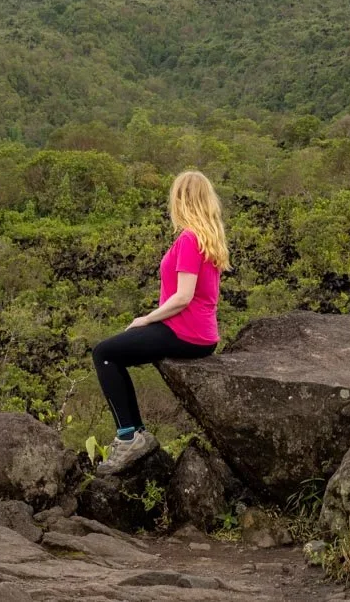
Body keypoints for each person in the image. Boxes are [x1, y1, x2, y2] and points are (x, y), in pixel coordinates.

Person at [91, 169, 230, 474]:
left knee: (104, 354)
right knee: (116, 353)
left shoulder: (189, 239)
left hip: (183, 332)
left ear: (180, 200)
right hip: (202, 334)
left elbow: (183, 297)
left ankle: (128, 436)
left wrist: (146, 319)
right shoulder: (209, 238)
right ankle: (135, 433)